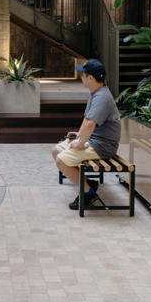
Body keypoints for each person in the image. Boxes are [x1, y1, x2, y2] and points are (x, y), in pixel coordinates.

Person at [51, 58, 121, 210]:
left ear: (90, 78)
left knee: (61, 160)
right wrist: (79, 135)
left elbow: (90, 124)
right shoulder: (95, 93)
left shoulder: (102, 97)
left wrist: (80, 143)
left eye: (83, 74)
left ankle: (88, 193)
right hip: (95, 140)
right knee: (56, 150)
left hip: (103, 146)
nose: (81, 77)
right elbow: (87, 119)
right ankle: (88, 182)